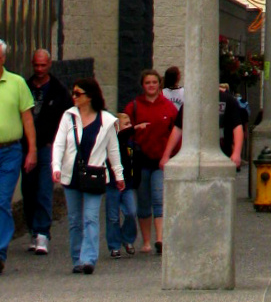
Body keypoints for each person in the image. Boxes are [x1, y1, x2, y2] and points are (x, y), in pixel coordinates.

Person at [51, 77, 123, 273]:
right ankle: (77, 259)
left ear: (89, 97)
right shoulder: (69, 116)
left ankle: (88, 259)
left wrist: (119, 175)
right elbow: (59, 144)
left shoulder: (106, 120)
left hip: (94, 174)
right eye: (73, 93)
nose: (74, 97)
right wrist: (56, 166)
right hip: (71, 174)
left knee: (90, 217)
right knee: (75, 220)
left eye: (78, 93)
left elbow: (113, 149)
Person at [124, 70, 177, 256]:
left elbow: (176, 134)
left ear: (159, 84)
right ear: (143, 85)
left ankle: (160, 239)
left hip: (160, 161)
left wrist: (171, 157)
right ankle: (146, 241)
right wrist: (134, 129)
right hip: (140, 161)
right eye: (148, 82)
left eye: (154, 82)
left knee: (158, 198)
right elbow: (122, 132)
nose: (151, 85)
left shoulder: (169, 107)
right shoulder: (134, 107)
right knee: (144, 202)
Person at [22, 49, 69, 256]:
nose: (39, 69)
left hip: (47, 147)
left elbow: (67, 119)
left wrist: (57, 144)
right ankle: (33, 228)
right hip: (26, 146)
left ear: (49, 64)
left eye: (43, 65)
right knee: (28, 189)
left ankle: (42, 232)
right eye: (36, 65)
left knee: (43, 189)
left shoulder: (59, 90)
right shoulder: (24, 86)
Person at [0, 41, 36, 275]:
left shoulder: (17, 83)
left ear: (3, 58)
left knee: (2, 201)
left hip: (10, 151)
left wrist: (32, 150)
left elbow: (27, 120)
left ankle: (0, 252)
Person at [106, 113, 139, 258]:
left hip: (128, 185)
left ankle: (127, 238)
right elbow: (120, 136)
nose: (130, 127)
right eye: (126, 124)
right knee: (113, 216)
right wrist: (135, 128)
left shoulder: (131, 145)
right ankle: (114, 245)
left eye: (130, 123)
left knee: (131, 212)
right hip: (112, 184)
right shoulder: (114, 141)